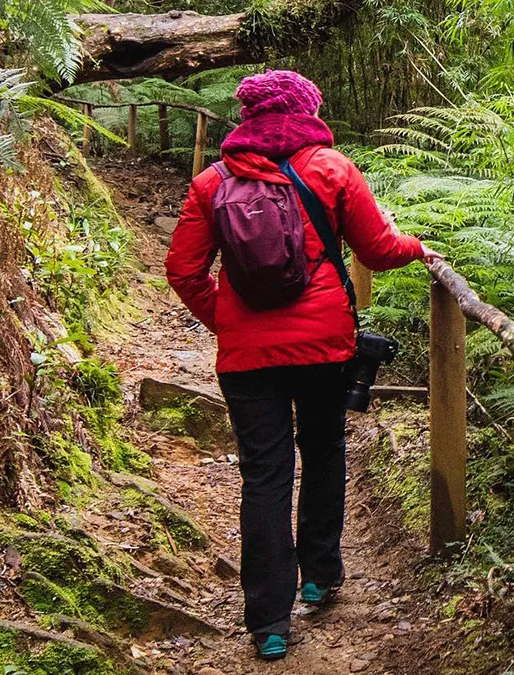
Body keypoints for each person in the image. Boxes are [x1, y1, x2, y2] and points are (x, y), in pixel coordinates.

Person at [165, 70, 441, 660]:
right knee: (322, 449)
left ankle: (268, 622)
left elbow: (184, 272)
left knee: (264, 475)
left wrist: (229, 322)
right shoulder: (330, 169)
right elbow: (377, 250)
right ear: (305, 109)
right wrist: (419, 247)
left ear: (248, 115)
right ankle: (318, 573)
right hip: (324, 346)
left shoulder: (212, 182)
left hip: (246, 359)